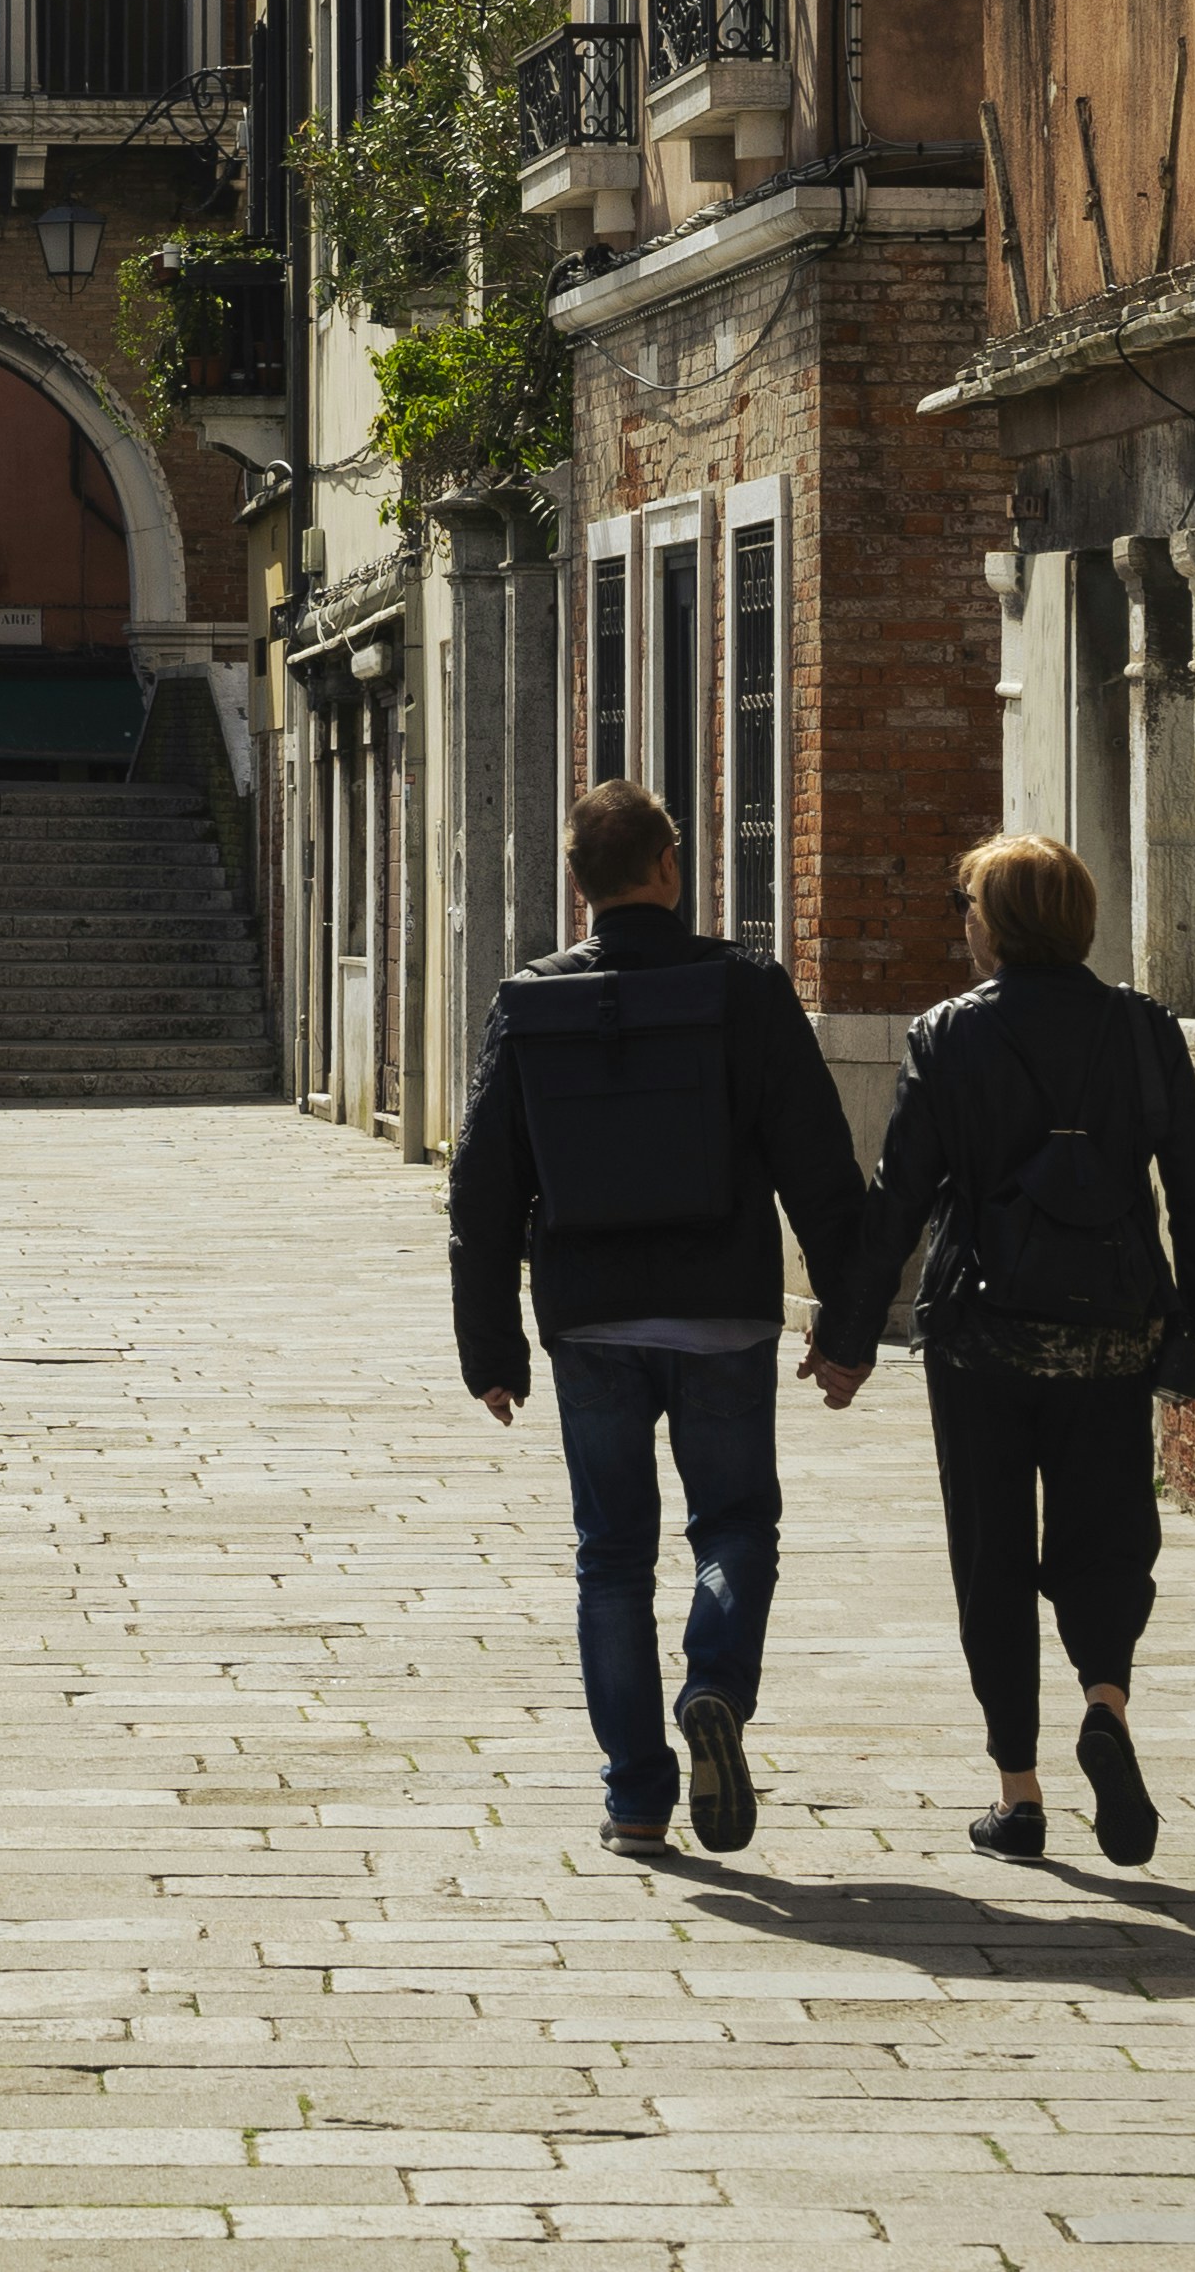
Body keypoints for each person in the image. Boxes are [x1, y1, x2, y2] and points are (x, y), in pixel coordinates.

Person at [447, 778, 873, 1857]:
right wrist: (850, 1323)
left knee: (611, 1557)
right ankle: (717, 1684)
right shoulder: (746, 989)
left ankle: (638, 1797)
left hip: (590, 1322)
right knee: (733, 1526)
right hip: (723, 1313)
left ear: (579, 887)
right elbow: (820, 1167)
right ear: (670, 868)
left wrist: (491, 1347)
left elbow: (484, 1188)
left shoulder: (529, 1003)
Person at [818, 832, 1195, 1868]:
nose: (961, 924)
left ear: (994, 924)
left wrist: (846, 1339)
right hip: (1112, 1333)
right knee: (1107, 1538)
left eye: (968, 906)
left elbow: (899, 1201)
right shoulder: (1142, 1032)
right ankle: (1105, 1702)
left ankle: (1019, 1791)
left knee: (992, 1560)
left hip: (980, 1342)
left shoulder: (949, 1036)